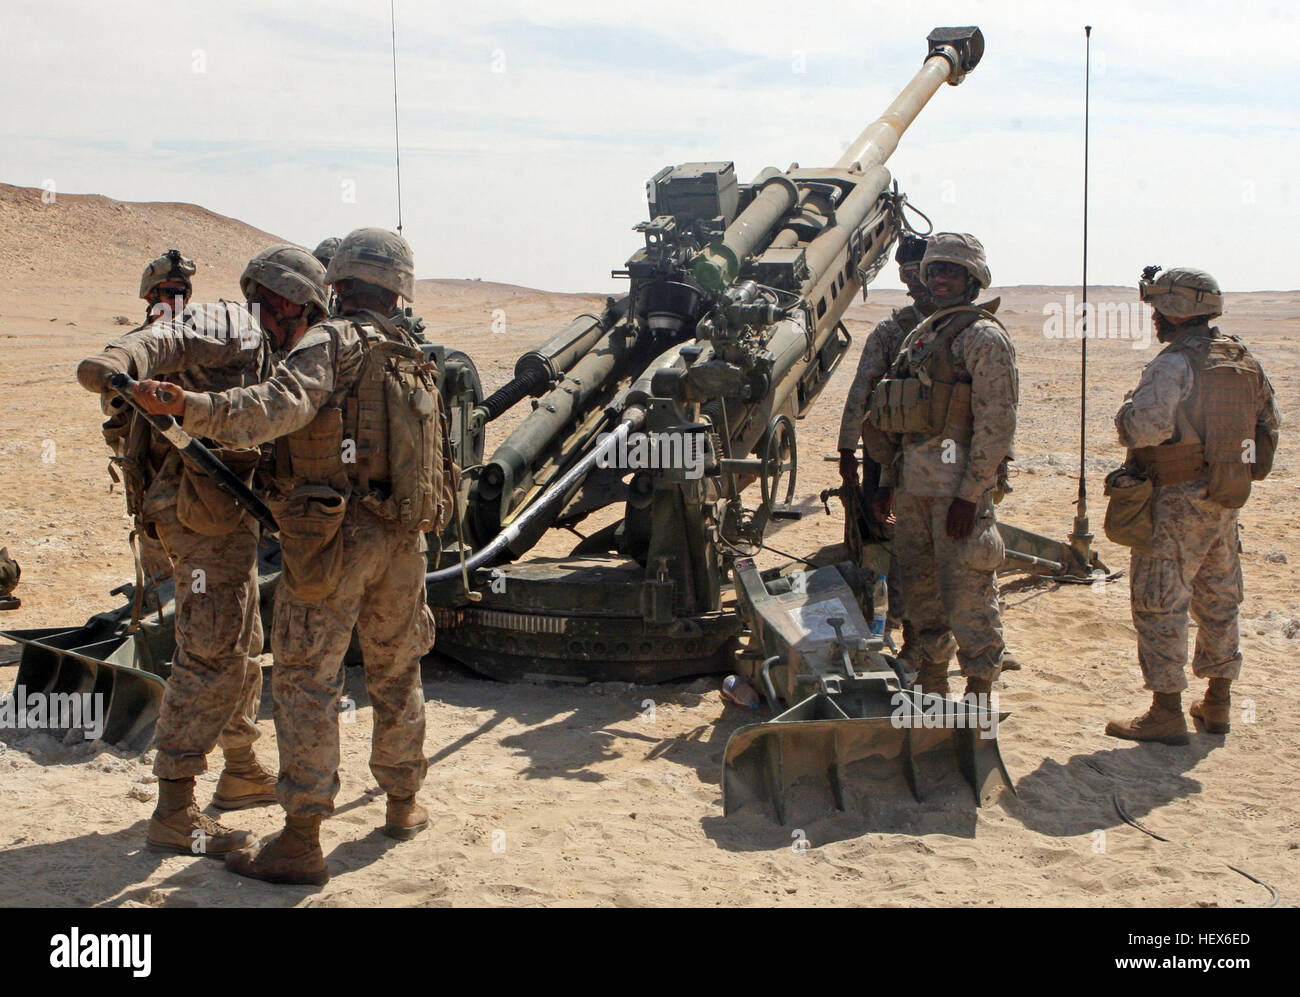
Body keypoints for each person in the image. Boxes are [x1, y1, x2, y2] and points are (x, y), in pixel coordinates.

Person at [132, 227, 446, 886]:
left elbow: (274, 409)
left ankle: (301, 839)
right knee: (397, 672)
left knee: (306, 681)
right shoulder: (413, 354)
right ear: (398, 290)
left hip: (332, 540)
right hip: (403, 541)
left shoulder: (330, 342)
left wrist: (191, 407)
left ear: (338, 283)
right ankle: (403, 802)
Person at [76, 245, 331, 856]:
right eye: (307, 315)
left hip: (222, 511)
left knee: (242, 637)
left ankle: (240, 768)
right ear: (287, 302)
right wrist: (115, 362)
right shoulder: (231, 321)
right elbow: (160, 339)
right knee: (212, 647)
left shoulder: (262, 343)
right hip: (196, 513)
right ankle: (174, 808)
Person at [1105, 267, 1280, 744]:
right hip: (1225, 496)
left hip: (1174, 501)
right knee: (1219, 599)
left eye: (1158, 308)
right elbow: (1269, 423)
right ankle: (1217, 703)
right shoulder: (1242, 359)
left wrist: (1125, 411)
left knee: (1160, 603)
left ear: (1174, 310)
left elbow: (1146, 429)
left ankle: (1165, 713)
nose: (1154, 318)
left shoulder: (1173, 363)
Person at [865, 232, 1018, 698]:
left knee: (969, 595)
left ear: (973, 279)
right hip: (913, 489)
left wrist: (970, 496)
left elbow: (996, 425)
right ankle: (932, 684)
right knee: (922, 595)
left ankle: (979, 692)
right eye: (935, 271)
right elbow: (900, 420)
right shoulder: (922, 336)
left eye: (952, 271)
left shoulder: (984, 338)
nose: (940, 280)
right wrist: (888, 483)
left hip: (956, 494)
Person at [838, 233, 934, 664]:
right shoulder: (891, 332)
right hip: (893, 458)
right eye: (907, 276)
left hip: (949, 461)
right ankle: (908, 633)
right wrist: (848, 452)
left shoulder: (969, 331)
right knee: (898, 545)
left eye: (921, 274)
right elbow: (861, 392)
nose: (914, 285)